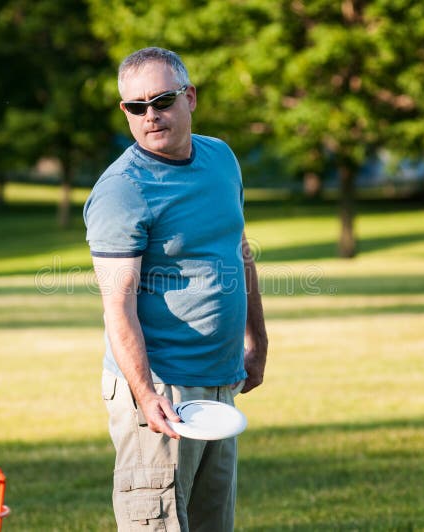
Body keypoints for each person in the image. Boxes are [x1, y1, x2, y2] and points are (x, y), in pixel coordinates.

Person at [83, 46, 268, 531]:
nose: (150, 115)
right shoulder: (121, 191)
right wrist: (145, 396)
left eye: (162, 100)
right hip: (160, 392)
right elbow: (117, 306)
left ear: (190, 97)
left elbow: (239, 252)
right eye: (135, 106)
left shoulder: (221, 159)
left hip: (219, 382)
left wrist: (258, 341)